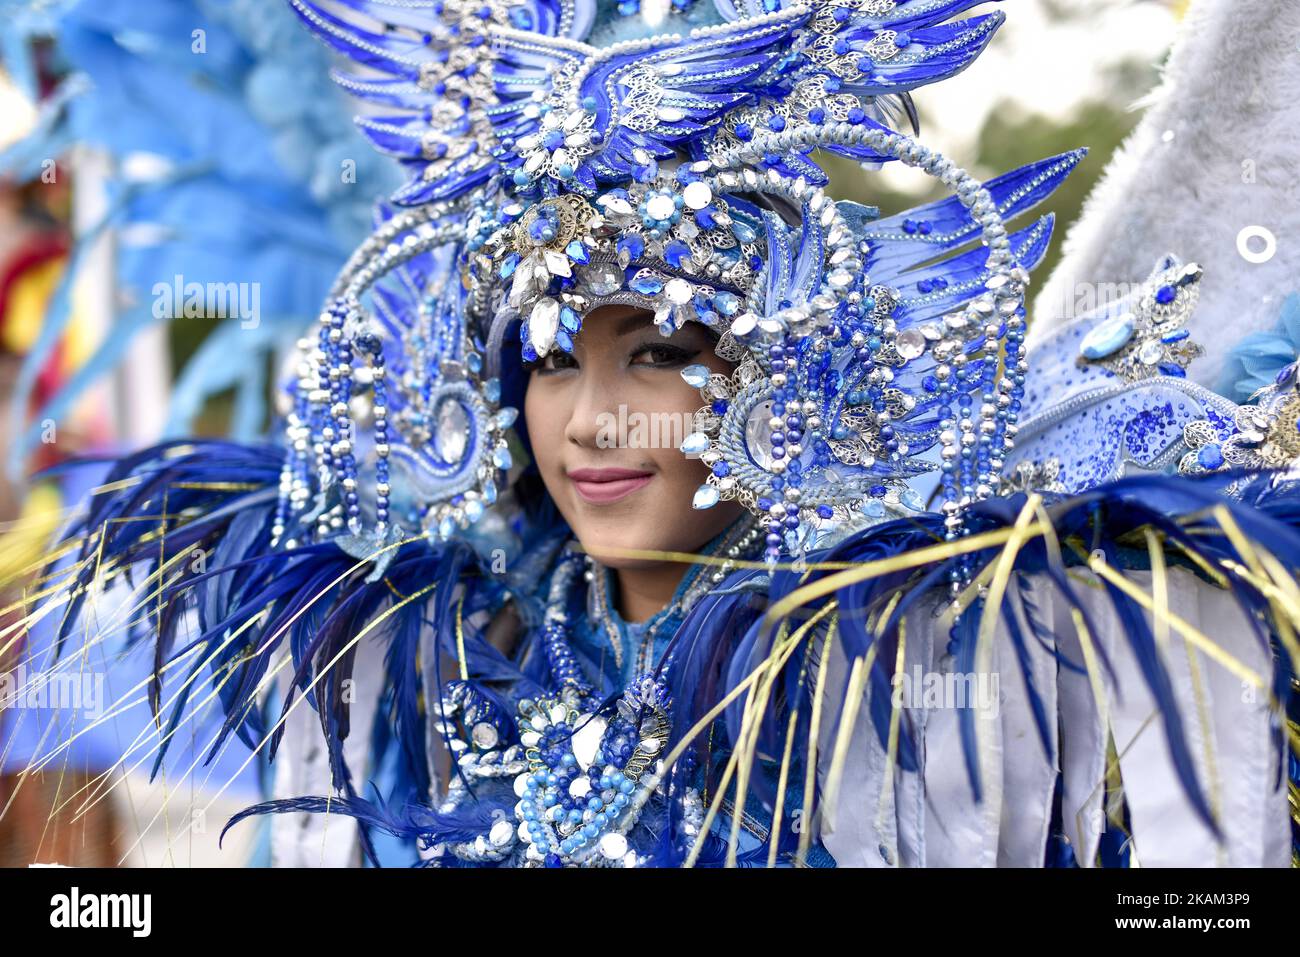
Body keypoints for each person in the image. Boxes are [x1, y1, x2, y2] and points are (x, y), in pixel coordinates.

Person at [11, 0, 1299, 867]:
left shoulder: (933, 668)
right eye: (553, 360)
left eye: (664, 351)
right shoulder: (425, 658)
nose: (594, 419)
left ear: (780, 372)